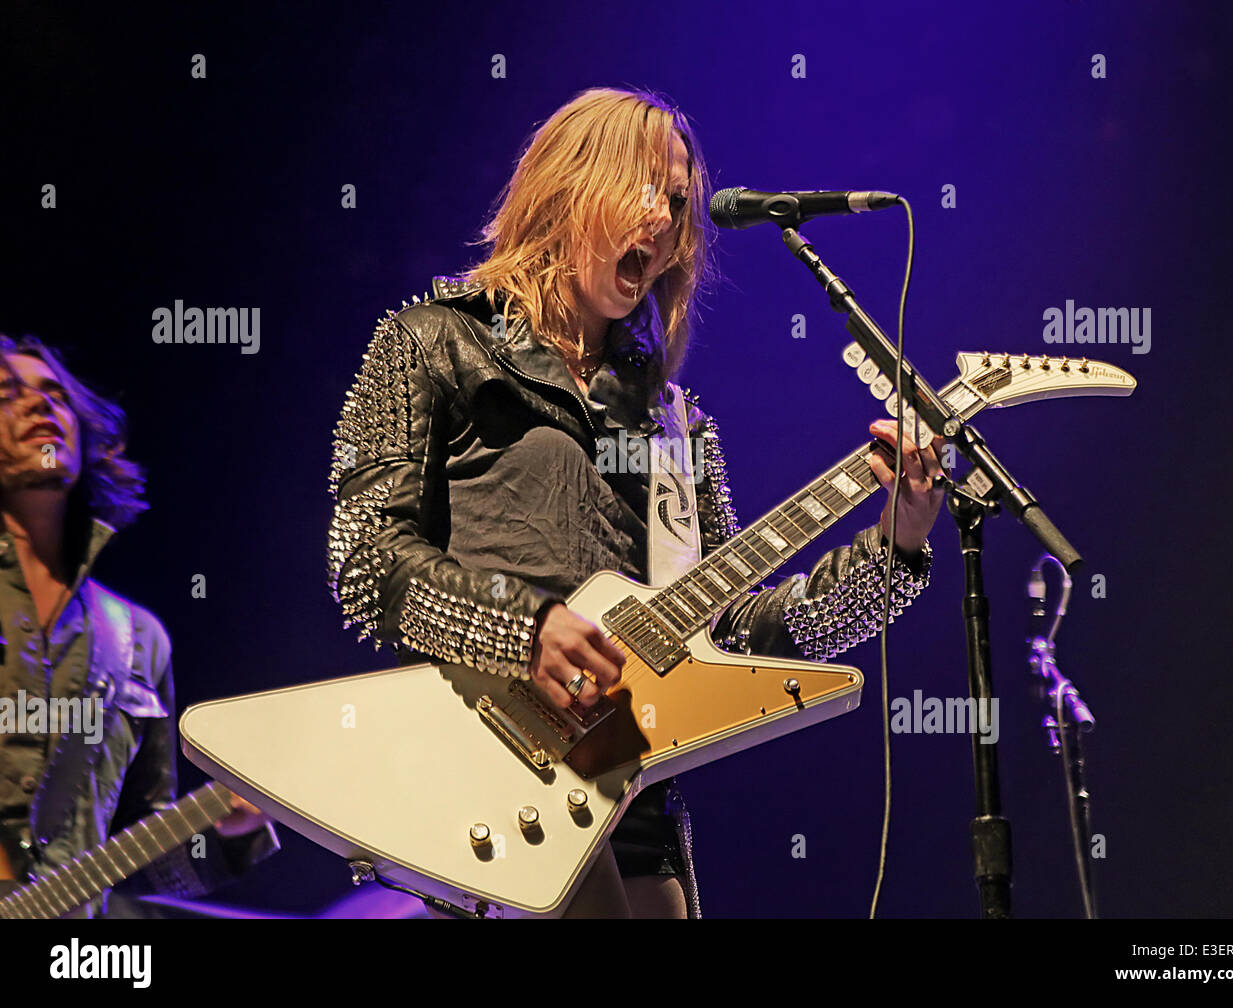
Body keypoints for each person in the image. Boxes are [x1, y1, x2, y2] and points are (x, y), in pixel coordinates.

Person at [327, 86, 945, 918]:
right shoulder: (437, 342)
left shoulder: (676, 424)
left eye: (680, 200)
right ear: (570, 184)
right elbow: (366, 558)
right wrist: (527, 628)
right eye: (645, 185)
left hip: (634, 804)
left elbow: (730, 631)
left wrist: (897, 546)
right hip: (486, 773)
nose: (665, 218)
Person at [0, 334, 277, 918]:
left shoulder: (136, 639)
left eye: (55, 394)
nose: (40, 405)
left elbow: (142, 863)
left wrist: (230, 828)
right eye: (7, 393)